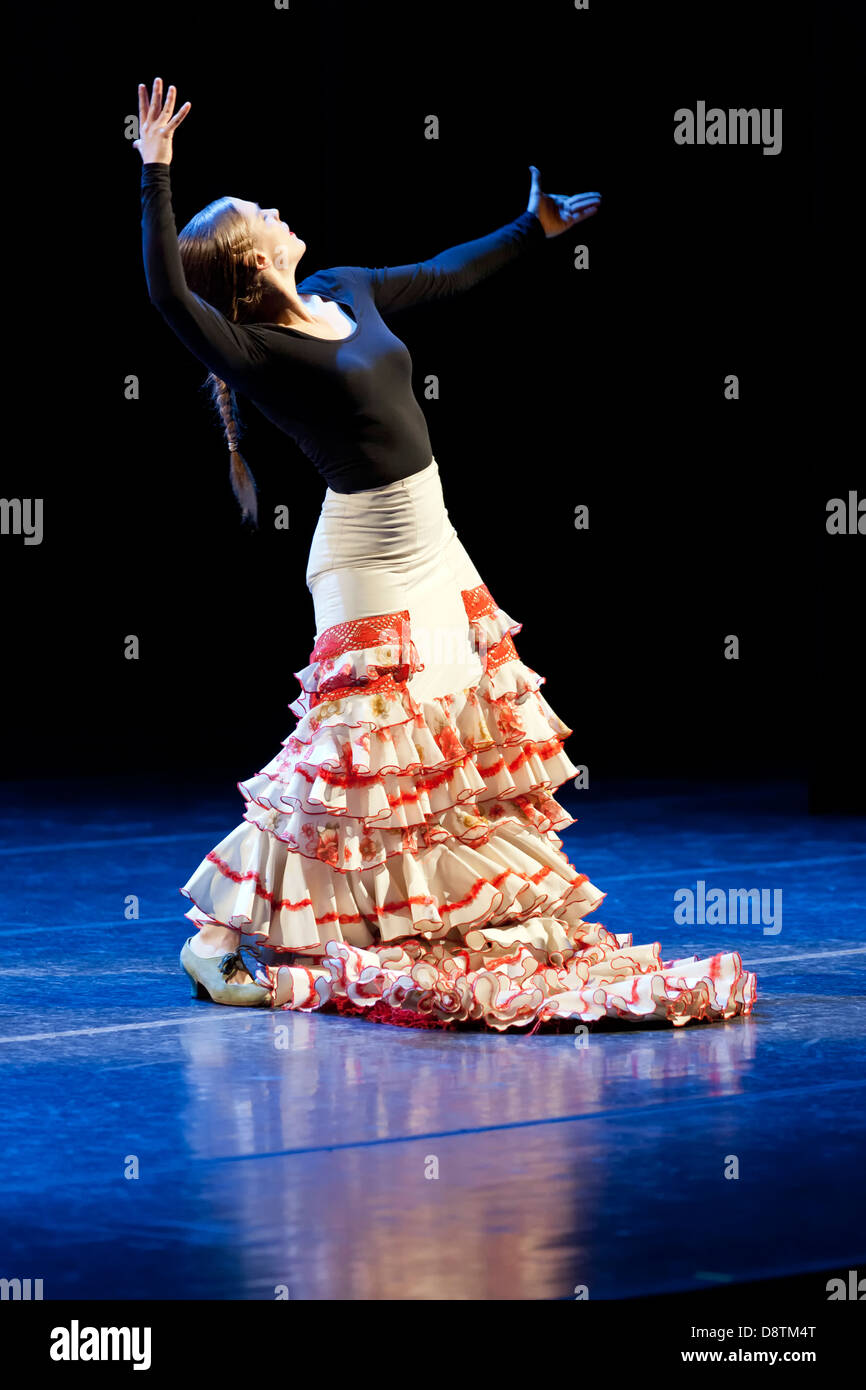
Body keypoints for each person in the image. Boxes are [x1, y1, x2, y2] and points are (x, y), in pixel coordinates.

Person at [136, 77, 756, 1031]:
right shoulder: (253, 350)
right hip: (367, 555)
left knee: (452, 737)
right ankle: (214, 937)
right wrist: (156, 174)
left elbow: (439, 274)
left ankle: (414, 909)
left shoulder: (341, 287)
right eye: (260, 214)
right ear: (250, 258)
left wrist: (528, 230)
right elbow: (170, 299)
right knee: (349, 749)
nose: (278, 212)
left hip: (435, 539)